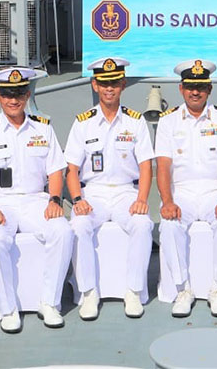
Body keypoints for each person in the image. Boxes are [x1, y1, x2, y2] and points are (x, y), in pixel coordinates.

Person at [0, 68, 73, 333]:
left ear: (27, 95)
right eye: (6, 94)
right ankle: (7, 309)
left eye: (18, 94)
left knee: (62, 230)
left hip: (35, 200)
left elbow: (55, 170)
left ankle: (49, 303)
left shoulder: (43, 129)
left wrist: (54, 200)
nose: (12, 100)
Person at [64, 57, 154, 319]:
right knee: (79, 225)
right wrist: (78, 199)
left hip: (126, 191)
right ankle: (89, 292)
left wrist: (142, 199)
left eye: (114, 83)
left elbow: (146, 165)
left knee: (142, 224)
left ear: (123, 85)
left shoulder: (135, 122)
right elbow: (71, 169)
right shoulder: (83, 123)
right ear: (95, 85)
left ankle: (134, 290)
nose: (109, 89)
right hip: (94, 193)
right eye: (104, 84)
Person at [155, 59, 217, 318]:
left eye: (201, 87)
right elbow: (163, 166)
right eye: (191, 87)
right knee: (169, 224)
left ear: (209, 89)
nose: (196, 92)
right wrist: (167, 201)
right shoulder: (168, 122)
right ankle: (183, 289)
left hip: (215, 189)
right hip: (181, 189)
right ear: (181, 89)